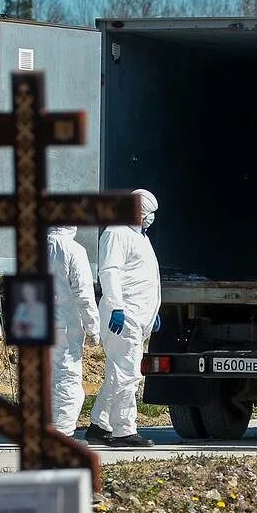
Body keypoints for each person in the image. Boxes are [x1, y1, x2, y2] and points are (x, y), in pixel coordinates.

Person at [88, 189, 161, 448]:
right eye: (149, 214)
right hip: (124, 315)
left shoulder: (139, 236)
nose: (151, 219)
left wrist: (153, 311)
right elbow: (109, 272)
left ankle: (99, 425)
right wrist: (117, 307)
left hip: (138, 314)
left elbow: (142, 278)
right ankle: (124, 431)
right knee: (127, 374)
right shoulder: (117, 233)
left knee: (118, 372)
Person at [47, 226, 100, 436]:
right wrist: (93, 327)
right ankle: (62, 431)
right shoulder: (73, 250)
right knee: (67, 377)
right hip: (65, 324)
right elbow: (84, 293)